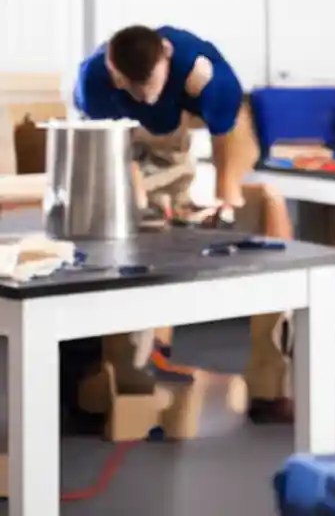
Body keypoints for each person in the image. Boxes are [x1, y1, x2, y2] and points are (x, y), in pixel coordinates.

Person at [73, 24, 294, 424]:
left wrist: (227, 197)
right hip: (132, 150)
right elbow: (117, 157)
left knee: (270, 209)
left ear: (167, 57)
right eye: (132, 88)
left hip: (197, 136)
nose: (143, 95)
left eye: (151, 84)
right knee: (132, 234)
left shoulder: (203, 71)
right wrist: (137, 202)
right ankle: (136, 378)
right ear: (113, 70)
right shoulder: (93, 82)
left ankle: (271, 383)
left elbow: (228, 137)